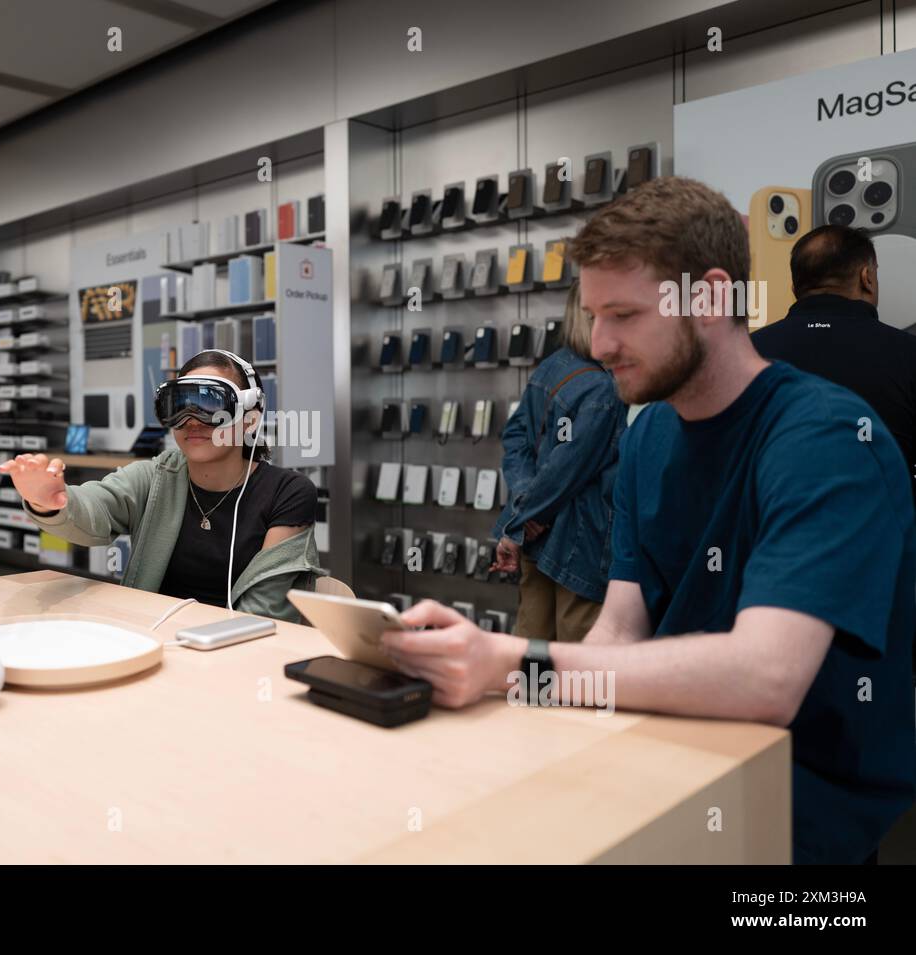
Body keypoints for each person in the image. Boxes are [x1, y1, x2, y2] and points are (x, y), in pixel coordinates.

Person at [381, 177, 915, 865]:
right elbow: (621, 625)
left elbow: (766, 678)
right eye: (593, 314)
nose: (599, 343)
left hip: (796, 820)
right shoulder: (650, 433)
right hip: (671, 769)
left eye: (625, 315)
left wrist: (516, 665)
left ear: (712, 297)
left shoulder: (826, 439)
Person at [0, 349, 323, 622]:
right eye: (179, 405)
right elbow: (93, 508)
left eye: (210, 404)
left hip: (234, 655)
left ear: (250, 417)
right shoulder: (155, 477)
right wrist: (51, 501)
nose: (191, 420)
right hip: (149, 639)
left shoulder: (289, 493)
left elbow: (264, 610)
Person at [491, 282, 626, 642]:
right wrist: (526, 518)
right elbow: (566, 472)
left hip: (537, 538)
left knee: (532, 650)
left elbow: (515, 439)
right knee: (578, 661)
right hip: (579, 542)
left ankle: (523, 701)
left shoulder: (551, 366)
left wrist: (523, 516)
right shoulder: (603, 390)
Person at [752, 223, 916, 500]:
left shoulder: (746, 351)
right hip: (882, 533)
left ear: (795, 288)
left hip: (772, 532)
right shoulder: (908, 352)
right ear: (867, 278)